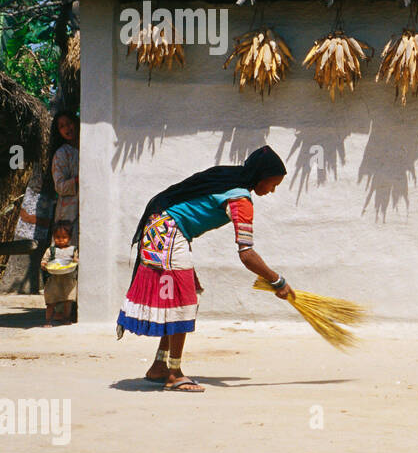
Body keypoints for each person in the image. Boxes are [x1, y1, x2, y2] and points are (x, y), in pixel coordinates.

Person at [116, 146, 295, 392]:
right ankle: (174, 374)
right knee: (183, 302)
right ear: (261, 176)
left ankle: (159, 366)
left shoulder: (229, 178)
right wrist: (278, 282)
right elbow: (247, 254)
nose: (272, 190)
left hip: (161, 226)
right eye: (273, 184)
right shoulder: (240, 199)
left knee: (179, 299)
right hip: (169, 231)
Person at [42, 221, 78, 326]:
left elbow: (76, 260)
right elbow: (44, 260)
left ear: (69, 238)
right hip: (54, 280)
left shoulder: (73, 249)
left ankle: (66, 318)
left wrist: (75, 260)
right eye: (57, 237)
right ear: (53, 237)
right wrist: (44, 265)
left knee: (68, 300)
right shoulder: (51, 250)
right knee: (51, 301)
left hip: (68, 279)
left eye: (64, 237)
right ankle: (48, 320)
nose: (60, 240)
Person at [50, 111, 79, 242]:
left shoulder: (90, 147)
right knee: (66, 252)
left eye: (69, 123)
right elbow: (60, 187)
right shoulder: (61, 154)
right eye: (62, 126)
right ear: (59, 132)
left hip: (90, 206)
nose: (67, 128)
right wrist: (79, 180)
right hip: (68, 211)